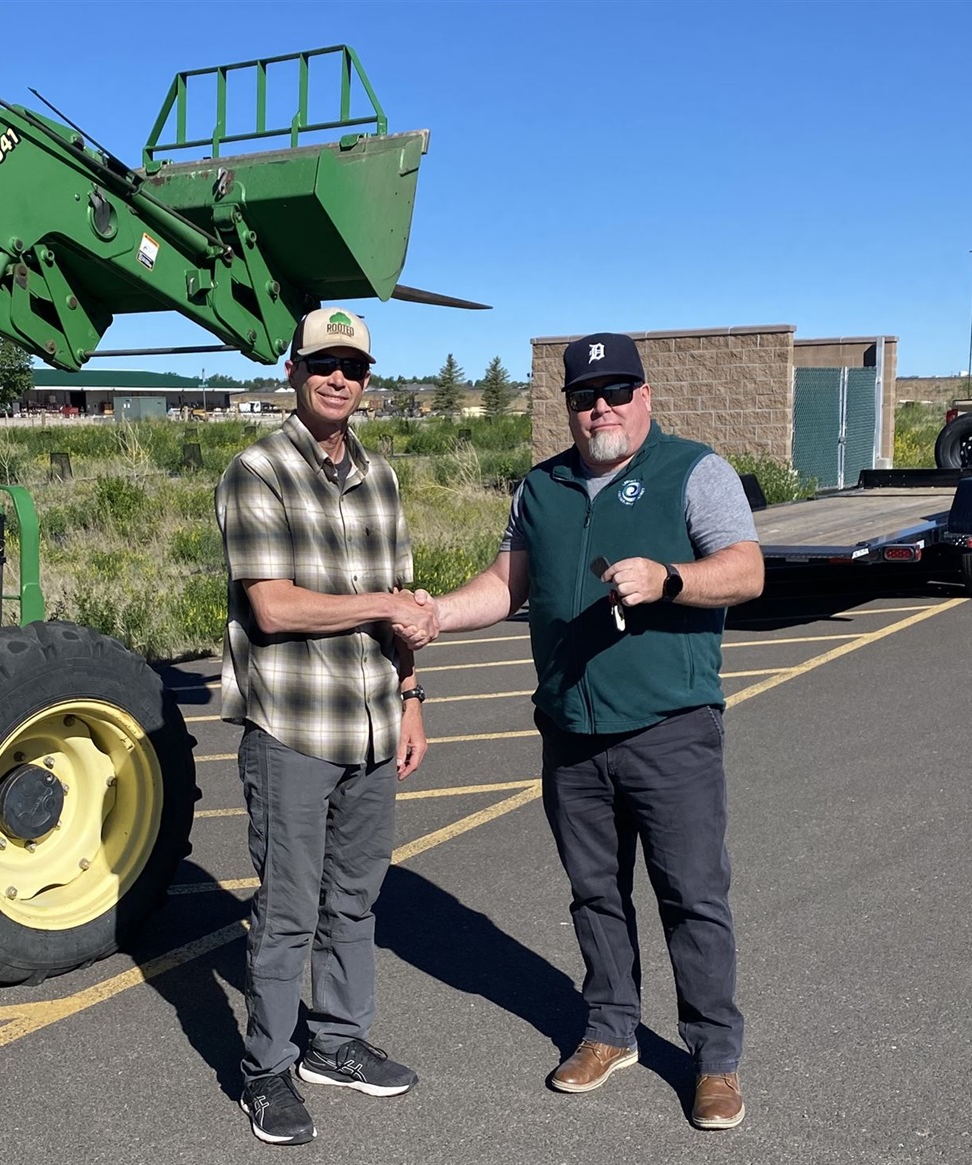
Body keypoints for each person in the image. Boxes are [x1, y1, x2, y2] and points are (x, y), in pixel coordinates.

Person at [414, 332, 763, 1131]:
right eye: (583, 396)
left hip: (670, 729)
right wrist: (437, 613)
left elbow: (747, 570)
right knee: (595, 893)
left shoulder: (694, 471)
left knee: (692, 896)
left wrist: (670, 578)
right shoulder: (542, 486)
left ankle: (715, 1057)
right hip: (571, 731)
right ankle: (610, 1028)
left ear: (644, 395)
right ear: (567, 407)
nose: (598, 407)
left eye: (614, 391)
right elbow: (507, 585)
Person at [216, 306, 439, 1146]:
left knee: (355, 899)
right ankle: (266, 1069)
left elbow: (405, 607)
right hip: (293, 729)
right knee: (285, 909)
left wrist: (413, 696)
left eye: (353, 366)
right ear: (294, 371)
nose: (338, 377)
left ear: (367, 381)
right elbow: (272, 608)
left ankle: (337, 1044)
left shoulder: (379, 478)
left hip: (375, 725)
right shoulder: (258, 470)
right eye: (323, 364)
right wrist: (384, 602)